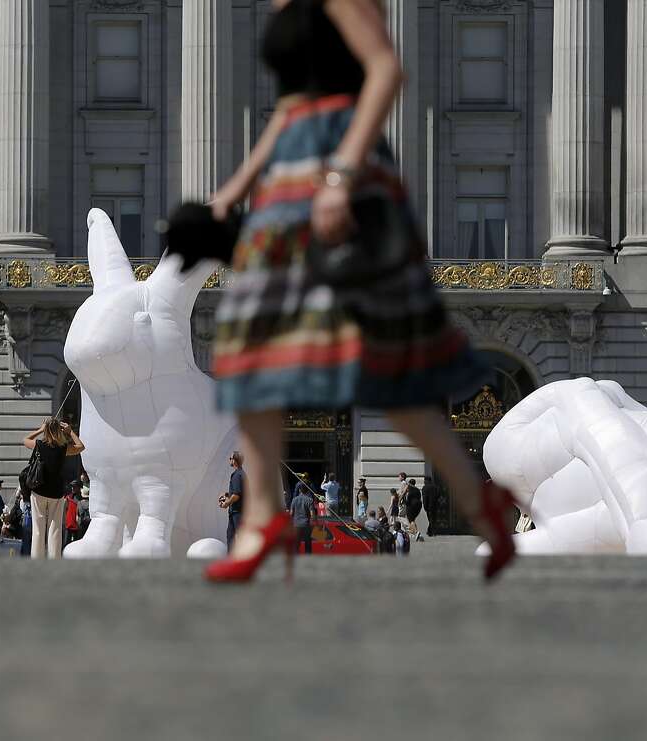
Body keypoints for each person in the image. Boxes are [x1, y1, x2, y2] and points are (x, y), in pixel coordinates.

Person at [201, 0, 517, 583]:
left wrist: (342, 175)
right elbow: (290, 106)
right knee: (249, 341)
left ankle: (479, 500)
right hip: (287, 183)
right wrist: (235, 188)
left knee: (377, 362)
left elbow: (385, 69)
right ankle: (264, 517)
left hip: (341, 174)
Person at [22, 417, 86, 559]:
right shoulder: (63, 449)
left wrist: (40, 429)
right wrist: (70, 432)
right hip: (56, 493)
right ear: (58, 430)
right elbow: (81, 446)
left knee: (38, 528)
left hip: (39, 491)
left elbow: (25, 439)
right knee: (55, 528)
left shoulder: (39, 445)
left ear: (47, 430)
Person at [219, 451, 246, 549]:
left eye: (230, 458)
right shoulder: (241, 474)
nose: (229, 460)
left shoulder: (236, 475)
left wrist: (227, 503)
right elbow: (238, 492)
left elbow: (237, 495)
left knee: (234, 538)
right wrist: (227, 494)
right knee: (232, 536)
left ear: (234, 461)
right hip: (237, 512)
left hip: (237, 512)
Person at [289, 481, 316, 554]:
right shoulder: (310, 500)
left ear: (299, 490)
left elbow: (291, 513)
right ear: (307, 490)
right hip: (306, 525)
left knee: (296, 546)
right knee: (308, 546)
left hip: (296, 525)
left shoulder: (294, 500)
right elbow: (312, 515)